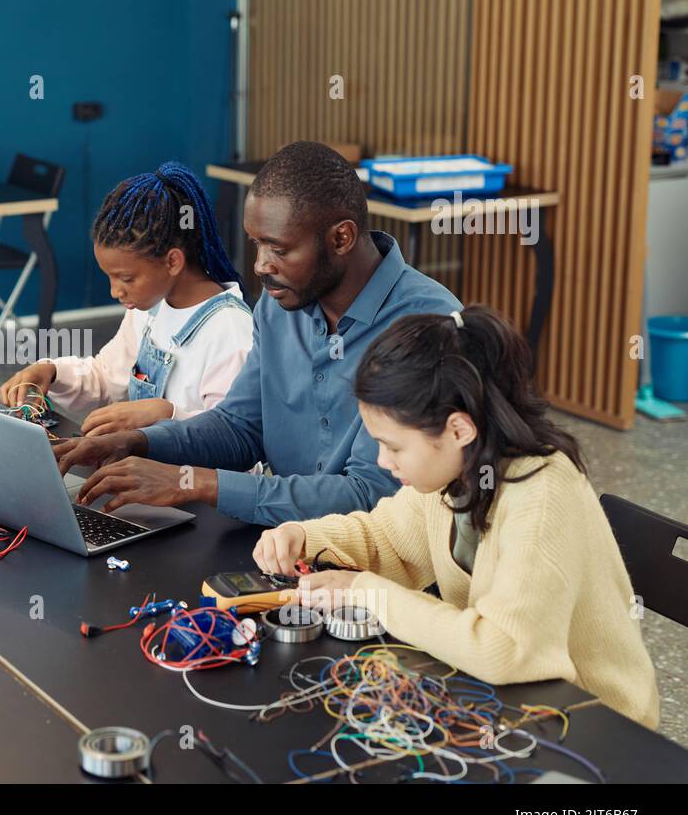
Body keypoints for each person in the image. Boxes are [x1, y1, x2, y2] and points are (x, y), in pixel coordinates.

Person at [256, 306, 659, 730]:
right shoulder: (456, 469)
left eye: (394, 446)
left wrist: (368, 593)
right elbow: (387, 540)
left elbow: (504, 650)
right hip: (511, 705)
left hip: (599, 726)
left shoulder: (542, 494)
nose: (382, 461)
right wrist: (303, 536)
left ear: (459, 430)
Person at [54, 140, 460, 525]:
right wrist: (139, 441)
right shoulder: (281, 304)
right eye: (256, 245)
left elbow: (370, 497)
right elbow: (240, 427)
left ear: (341, 237)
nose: (260, 266)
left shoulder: (429, 324)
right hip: (284, 540)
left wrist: (194, 482)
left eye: (278, 249)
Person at [0, 161, 251, 436]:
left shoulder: (230, 332)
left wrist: (166, 413)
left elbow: (232, 438)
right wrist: (51, 371)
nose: (114, 291)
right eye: (110, 277)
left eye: (126, 278)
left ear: (173, 261)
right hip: (147, 459)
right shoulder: (149, 307)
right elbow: (109, 377)